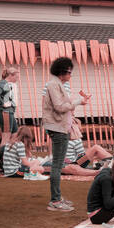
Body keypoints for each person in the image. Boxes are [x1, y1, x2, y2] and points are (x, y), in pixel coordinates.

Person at [43, 56, 90, 212]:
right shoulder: (53, 85)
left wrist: (76, 102)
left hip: (61, 126)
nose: (71, 76)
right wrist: (77, 102)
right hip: (57, 127)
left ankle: (57, 198)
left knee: (58, 163)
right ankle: (55, 201)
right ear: (63, 72)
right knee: (57, 165)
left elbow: (63, 106)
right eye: (70, 72)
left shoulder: (57, 84)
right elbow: (59, 106)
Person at [2, 136, 112, 178]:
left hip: (70, 161)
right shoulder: (18, 159)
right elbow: (28, 164)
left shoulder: (75, 140)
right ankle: (99, 172)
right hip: (48, 163)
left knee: (96, 147)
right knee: (71, 168)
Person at [0, 66, 20, 145]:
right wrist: (3, 104)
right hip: (5, 112)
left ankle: (9, 154)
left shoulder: (9, 84)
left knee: (15, 133)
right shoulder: (3, 83)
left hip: (10, 112)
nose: (17, 79)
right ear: (11, 75)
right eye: (16, 77)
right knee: (6, 136)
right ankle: (1, 156)